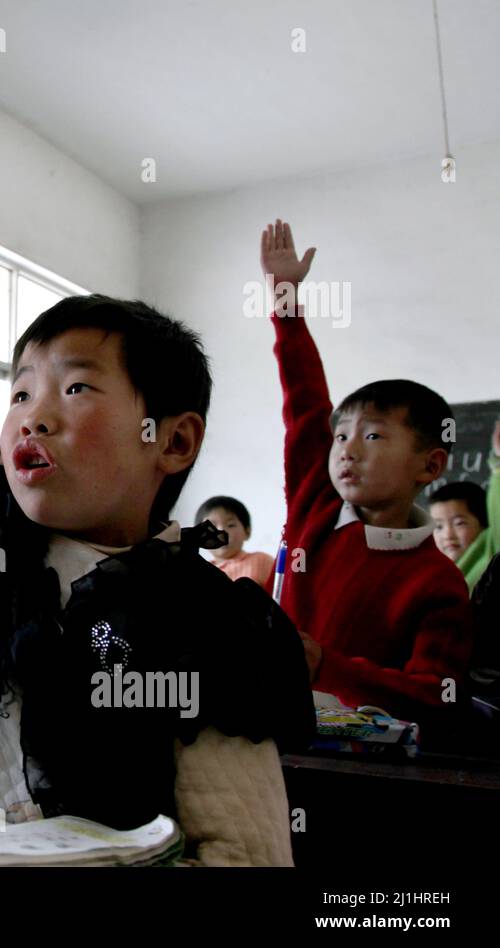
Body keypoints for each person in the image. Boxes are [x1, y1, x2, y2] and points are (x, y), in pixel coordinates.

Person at [0, 87, 315, 866]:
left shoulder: (203, 623)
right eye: (22, 391)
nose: (34, 415)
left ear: (171, 441)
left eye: (75, 389)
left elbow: (247, 849)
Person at [263, 218, 472, 727]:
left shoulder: (437, 582)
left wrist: (326, 666)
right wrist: (285, 301)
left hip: (360, 771)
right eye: (341, 436)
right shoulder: (316, 504)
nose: (346, 450)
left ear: (430, 464)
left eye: (373, 436)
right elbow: (306, 404)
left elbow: (438, 697)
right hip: (267, 739)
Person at [429, 420, 499, 592]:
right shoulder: (434, 573)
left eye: (459, 523)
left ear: (484, 524)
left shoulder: (489, 558)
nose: (447, 535)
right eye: (438, 526)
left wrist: (498, 467)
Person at [195, 495, 275, 590]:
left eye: (230, 525)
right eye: (211, 527)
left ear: (247, 531)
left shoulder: (261, 561)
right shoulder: (198, 572)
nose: (221, 531)